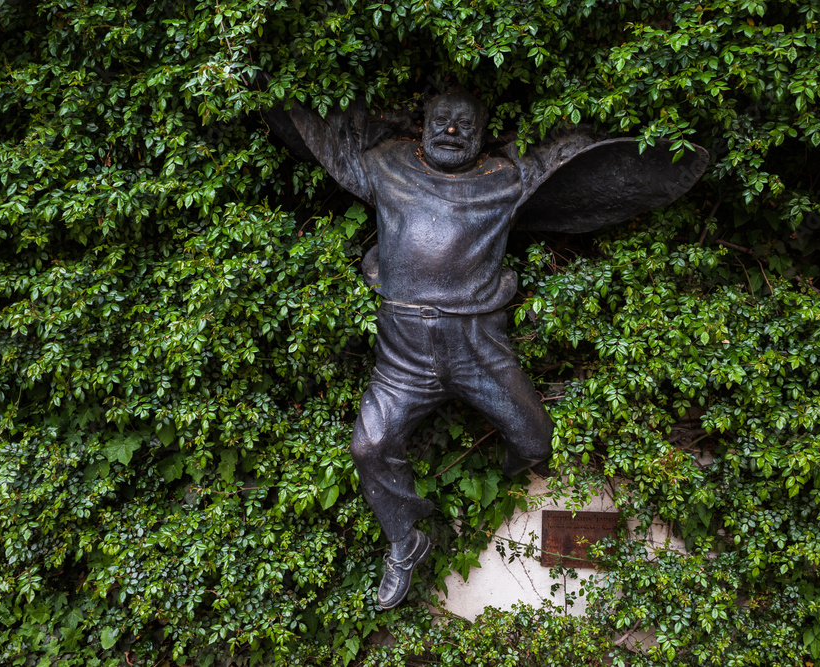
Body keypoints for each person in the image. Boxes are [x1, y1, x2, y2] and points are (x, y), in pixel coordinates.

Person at [264, 86, 707, 608]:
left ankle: (496, 488)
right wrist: (274, 98)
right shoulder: (382, 165)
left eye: (465, 125)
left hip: (477, 346)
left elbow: (571, 164)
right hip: (402, 352)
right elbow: (327, 141)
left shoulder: (507, 179)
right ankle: (406, 542)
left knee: (535, 441)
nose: (451, 132)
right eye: (442, 120)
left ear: (484, 134)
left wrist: (661, 159)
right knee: (369, 447)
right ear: (423, 121)